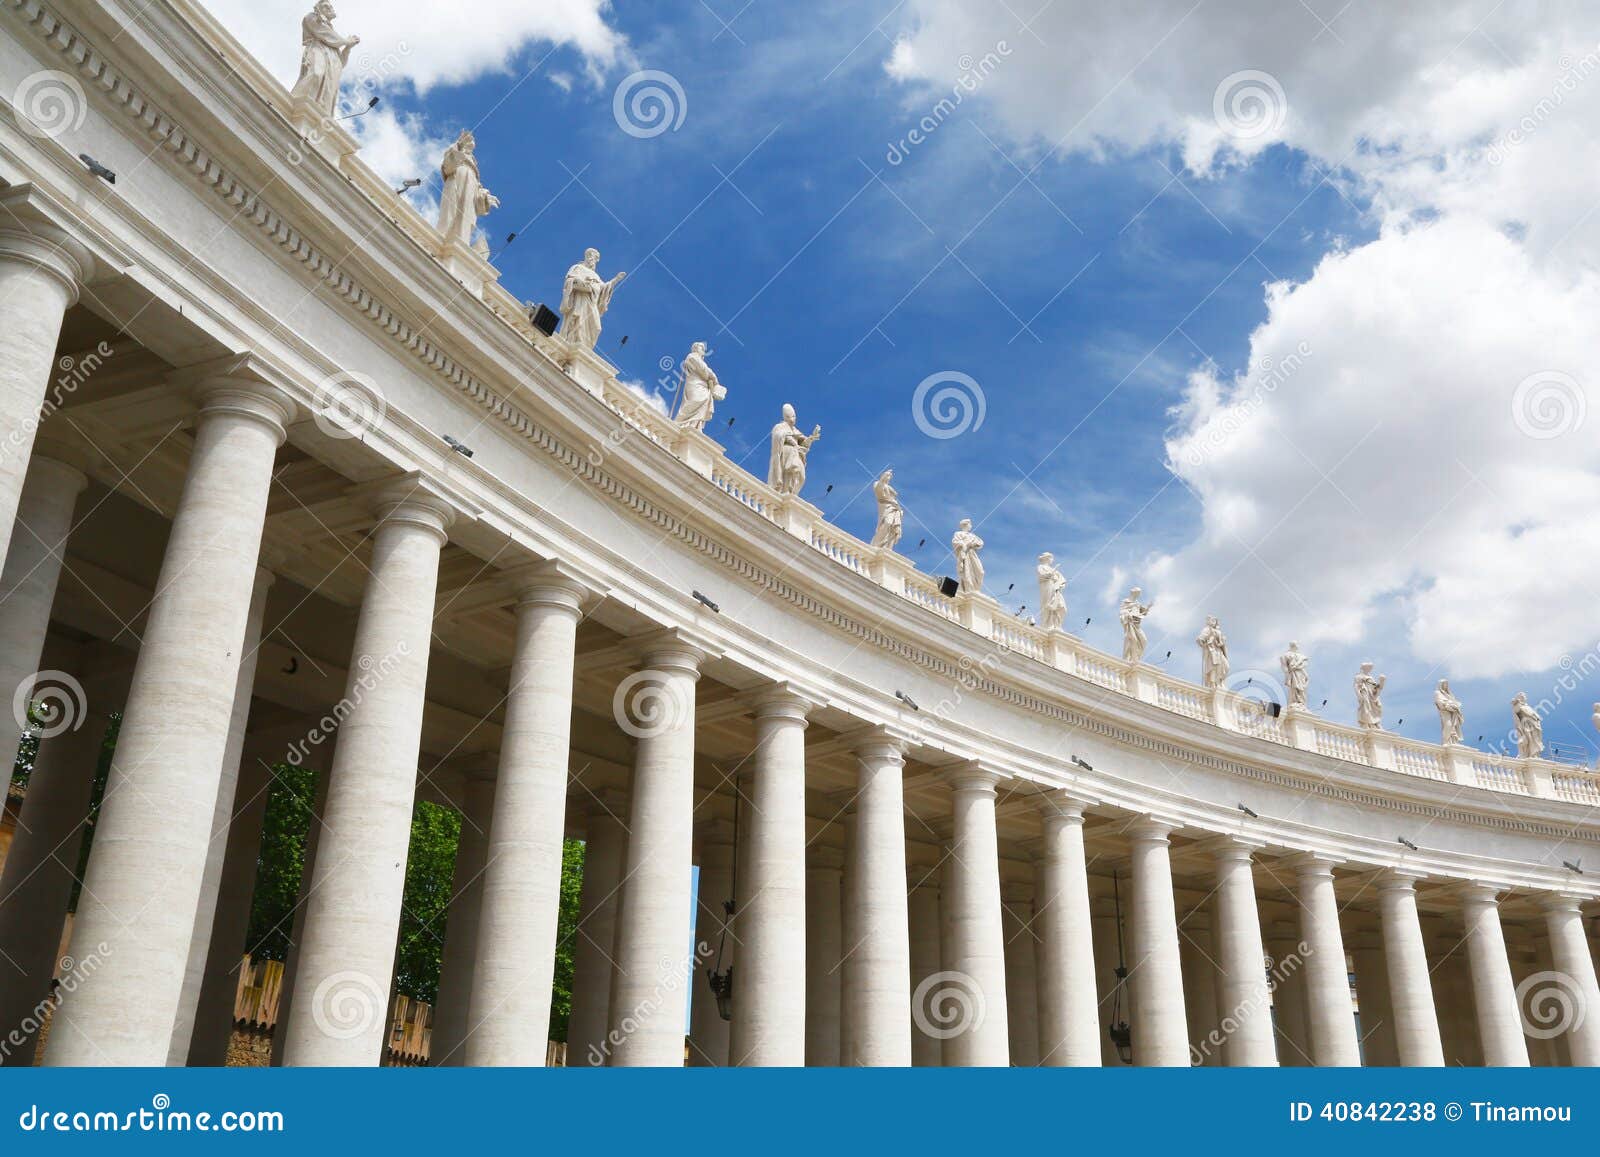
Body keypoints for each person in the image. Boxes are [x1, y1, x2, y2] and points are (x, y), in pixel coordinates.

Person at [871, 470, 903, 550]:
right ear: (883, 476)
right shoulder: (877, 484)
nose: (888, 478)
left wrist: (898, 509)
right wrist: (882, 479)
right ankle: (877, 543)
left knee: (893, 529)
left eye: (890, 477)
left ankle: (888, 547)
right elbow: (879, 492)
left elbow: (893, 497)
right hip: (885, 506)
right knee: (887, 523)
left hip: (894, 508)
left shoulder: (890, 488)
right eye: (887, 476)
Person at [952, 519, 985, 593]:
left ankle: (976, 588)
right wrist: (963, 544)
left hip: (972, 554)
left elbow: (980, 543)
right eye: (970, 524)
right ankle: (969, 589)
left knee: (980, 572)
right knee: (966, 572)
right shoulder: (958, 533)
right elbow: (955, 542)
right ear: (965, 525)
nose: (971, 526)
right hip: (964, 554)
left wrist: (973, 544)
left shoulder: (972, 535)